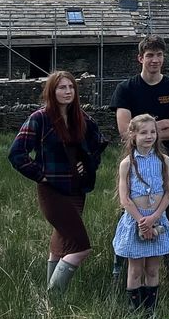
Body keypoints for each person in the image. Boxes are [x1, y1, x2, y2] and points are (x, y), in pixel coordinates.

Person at [8, 71, 107, 293]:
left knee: (60, 245)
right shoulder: (40, 118)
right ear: (52, 91)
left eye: (71, 87)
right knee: (80, 248)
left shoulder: (83, 119)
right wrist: (41, 175)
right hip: (52, 191)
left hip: (77, 191)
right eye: (62, 87)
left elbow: (97, 147)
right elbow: (16, 154)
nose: (67, 91)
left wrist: (87, 165)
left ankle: (50, 300)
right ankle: (52, 297)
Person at [109, 35, 169, 276]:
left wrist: (146, 132)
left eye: (159, 55)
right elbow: (125, 132)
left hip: (165, 164)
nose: (155, 60)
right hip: (134, 165)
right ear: (140, 58)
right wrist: (163, 125)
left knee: (167, 217)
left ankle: (168, 271)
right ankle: (122, 266)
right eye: (150, 55)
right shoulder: (126, 89)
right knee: (129, 216)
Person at [112, 114, 169, 317]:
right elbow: (125, 199)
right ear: (133, 135)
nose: (149, 136)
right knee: (136, 270)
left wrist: (155, 217)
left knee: (153, 269)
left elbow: (168, 192)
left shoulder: (164, 161)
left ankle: (150, 311)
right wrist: (142, 222)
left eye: (153, 132)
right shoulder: (127, 164)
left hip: (157, 219)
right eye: (144, 132)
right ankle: (134, 311)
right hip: (135, 221)